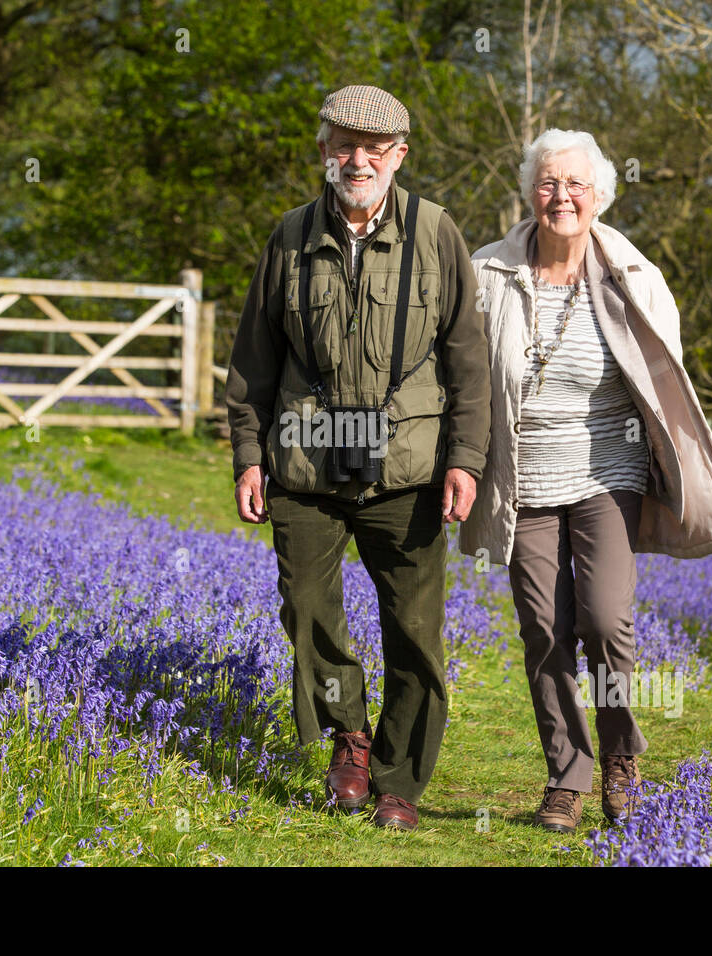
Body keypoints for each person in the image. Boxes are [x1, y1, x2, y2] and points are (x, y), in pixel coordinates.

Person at [459, 128, 712, 833]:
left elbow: (666, 385)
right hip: (524, 477)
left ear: (599, 194)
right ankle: (566, 776)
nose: (560, 196)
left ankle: (621, 755)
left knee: (604, 619)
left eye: (576, 185)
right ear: (529, 191)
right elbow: (466, 379)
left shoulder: (636, 276)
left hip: (609, 471)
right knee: (544, 627)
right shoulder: (489, 274)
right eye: (547, 183)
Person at [225, 85, 491, 831]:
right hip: (306, 462)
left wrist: (466, 459)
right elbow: (251, 364)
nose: (358, 160)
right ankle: (349, 734)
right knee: (306, 608)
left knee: (414, 629)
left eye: (375, 149)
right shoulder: (286, 238)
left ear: (400, 156)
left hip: (408, 467)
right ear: (323, 150)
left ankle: (399, 780)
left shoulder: (437, 235)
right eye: (344, 145)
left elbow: (470, 362)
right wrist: (248, 454)